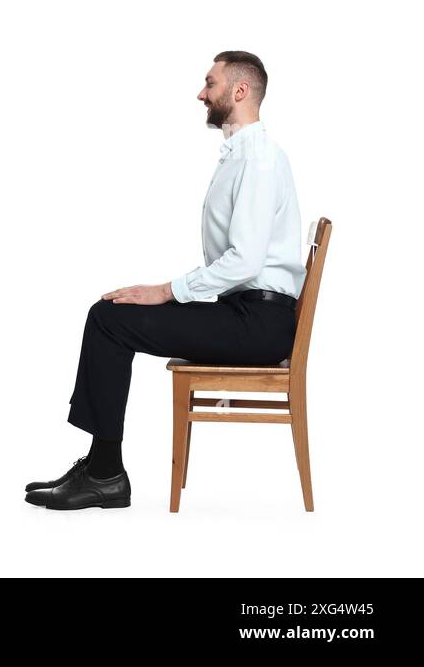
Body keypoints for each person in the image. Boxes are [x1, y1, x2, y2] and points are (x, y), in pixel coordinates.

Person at [26, 51, 305, 510]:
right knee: (110, 315)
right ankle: (102, 466)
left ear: (240, 91)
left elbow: (246, 261)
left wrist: (165, 292)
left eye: (210, 84)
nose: (201, 93)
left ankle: (104, 473)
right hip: (246, 313)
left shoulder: (258, 160)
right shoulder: (245, 155)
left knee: (109, 320)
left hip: (258, 323)